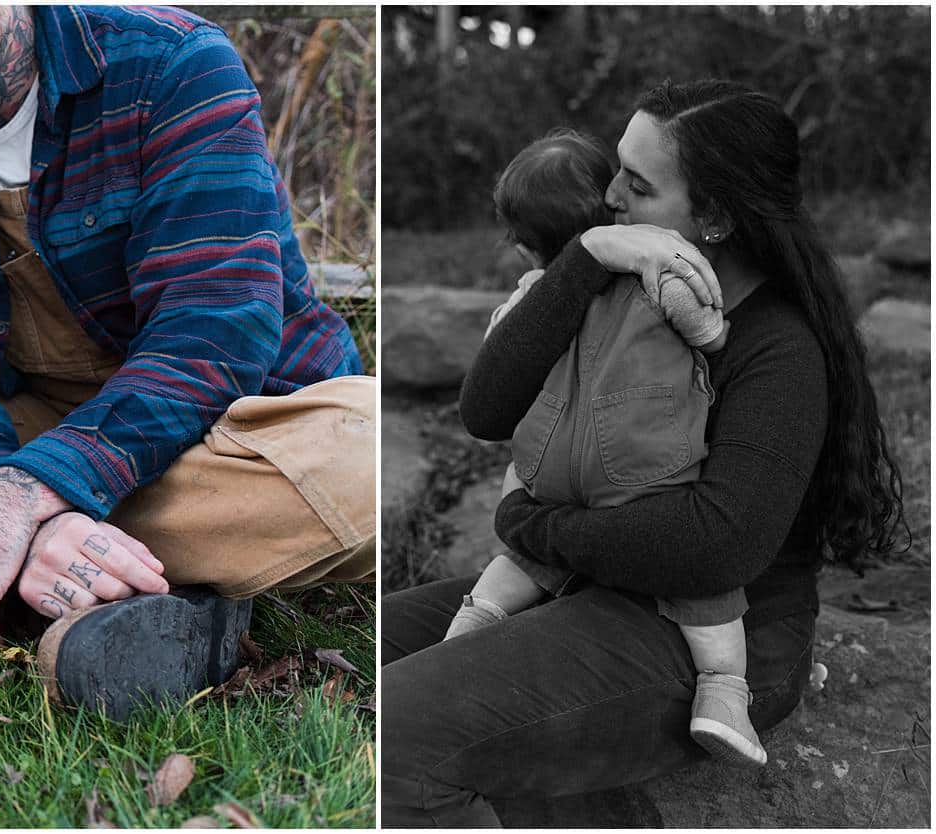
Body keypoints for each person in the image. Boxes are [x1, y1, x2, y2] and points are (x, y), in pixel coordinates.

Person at [0, 5, 376, 719]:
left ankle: (15, 576)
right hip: (38, 423)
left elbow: (210, 336)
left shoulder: (173, 64)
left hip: (231, 427)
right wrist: (18, 497)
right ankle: (106, 570)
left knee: (361, 446)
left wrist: (19, 498)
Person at [381, 79, 906, 826]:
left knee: (399, 731)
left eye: (637, 184)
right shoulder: (613, 284)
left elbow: (713, 546)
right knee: (365, 660)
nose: (609, 195)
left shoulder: (777, 348)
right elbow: (486, 411)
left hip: (714, 639)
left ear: (717, 216)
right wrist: (587, 256)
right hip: (583, 585)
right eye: (614, 171)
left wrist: (532, 527)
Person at [444, 129, 768, 767]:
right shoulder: (658, 272)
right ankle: (724, 692)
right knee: (705, 596)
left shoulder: (535, 294)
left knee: (524, 553)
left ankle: (476, 620)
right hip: (641, 464)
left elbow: (499, 356)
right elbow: (707, 331)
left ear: (525, 239)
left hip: (549, 467)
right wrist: (713, 332)